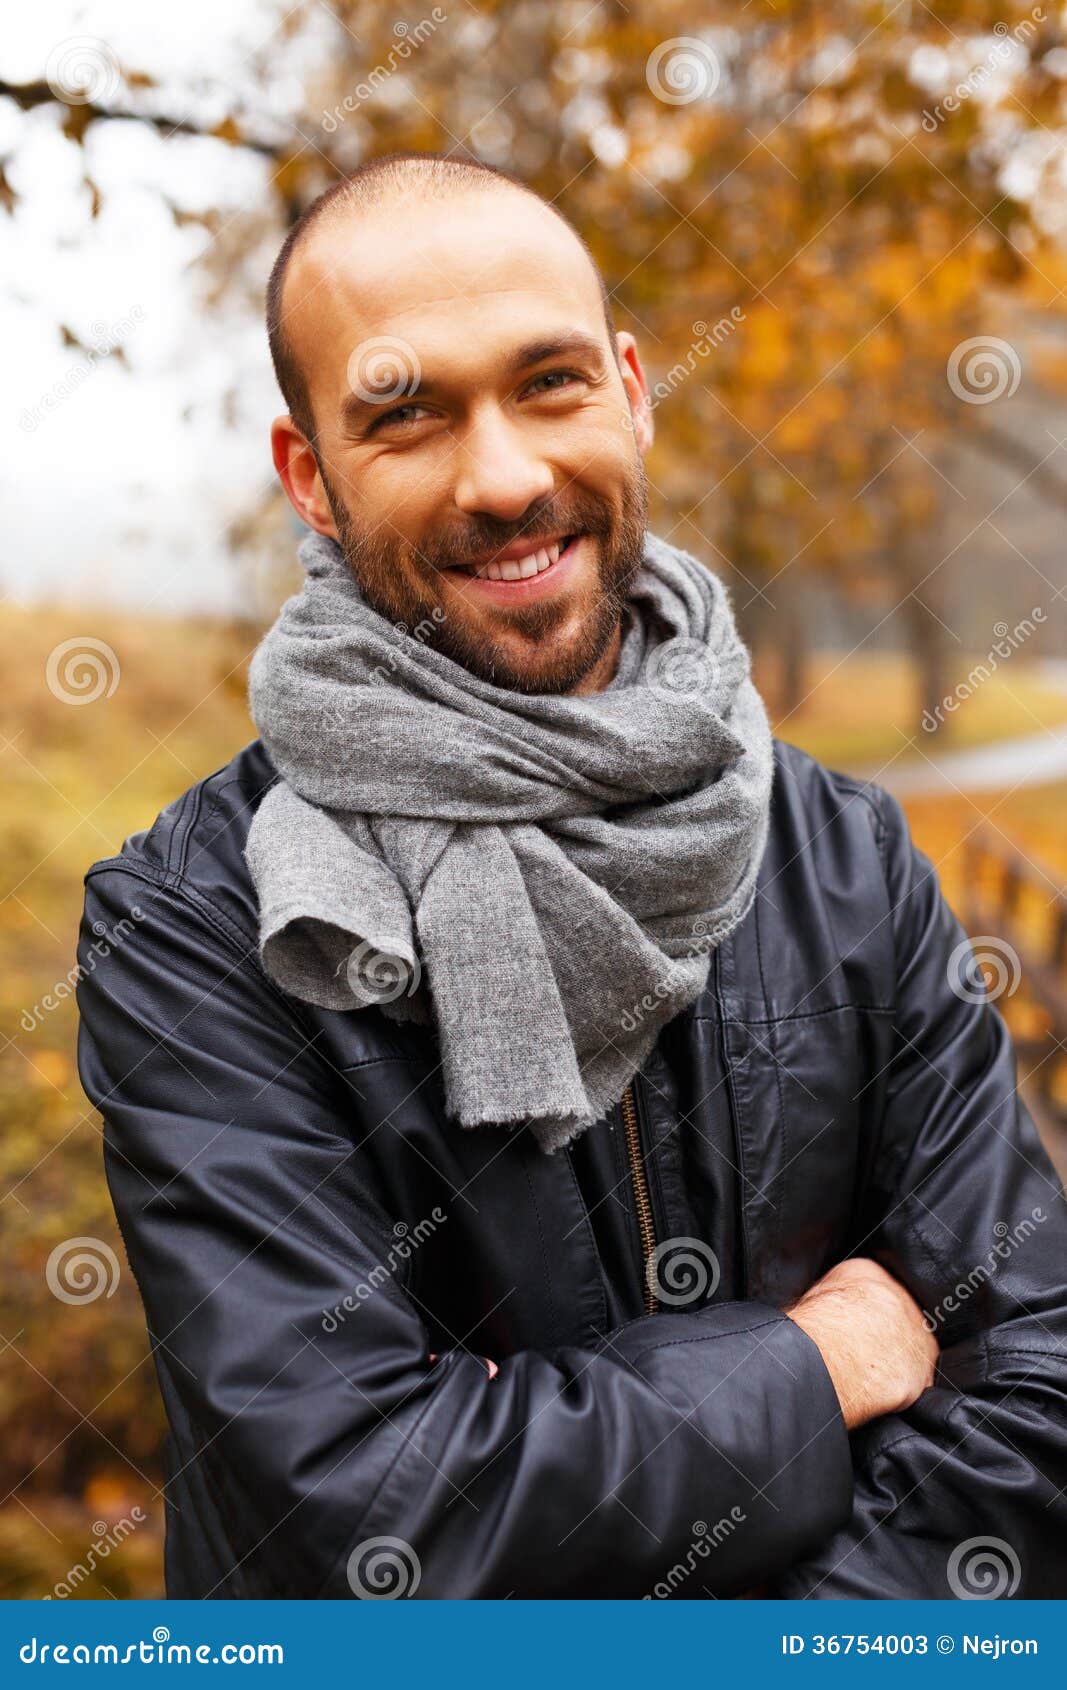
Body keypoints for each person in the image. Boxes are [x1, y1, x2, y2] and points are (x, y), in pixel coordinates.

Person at [76, 152, 1067, 1600]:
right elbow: (369, 1516)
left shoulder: (846, 860)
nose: (506, 476)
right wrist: (810, 1365)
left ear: (632, 390)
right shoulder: (198, 928)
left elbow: (1038, 1393)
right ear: (312, 478)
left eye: (548, 383)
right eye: (407, 414)